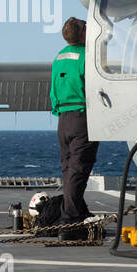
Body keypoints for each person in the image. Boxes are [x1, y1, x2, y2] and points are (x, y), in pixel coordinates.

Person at [51, 16, 99, 237]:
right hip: (82, 117)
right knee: (79, 169)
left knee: (69, 169)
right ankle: (69, 223)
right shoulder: (87, 57)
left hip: (63, 119)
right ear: (82, 34)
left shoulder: (59, 57)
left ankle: (78, 213)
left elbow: (53, 89)